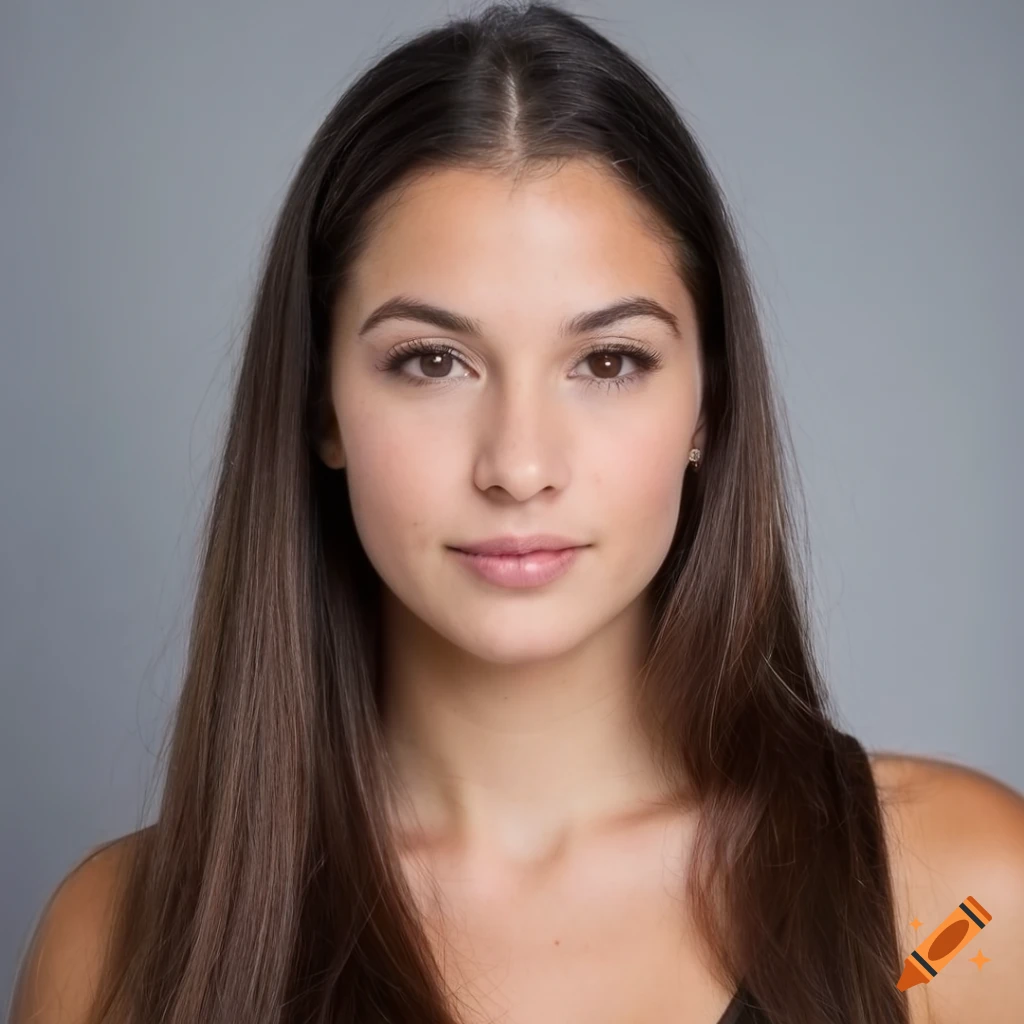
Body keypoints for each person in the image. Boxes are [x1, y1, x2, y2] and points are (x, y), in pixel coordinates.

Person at [10, 3, 1024, 1023]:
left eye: (608, 361)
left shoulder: (959, 908)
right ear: (323, 406)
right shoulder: (121, 950)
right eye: (432, 361)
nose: (520, 464)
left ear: (707, 405)